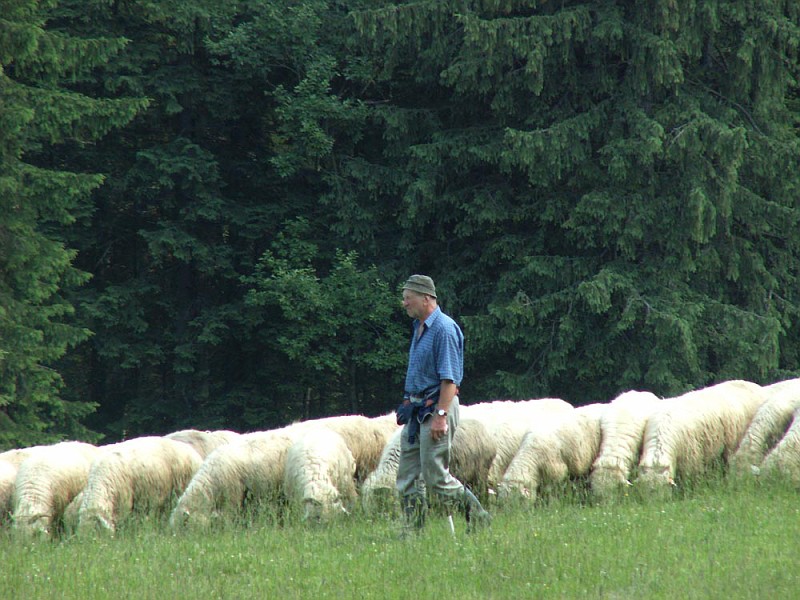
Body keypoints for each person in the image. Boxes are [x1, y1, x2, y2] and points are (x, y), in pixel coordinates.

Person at [395, 274, 491, 534]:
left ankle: (478, 515)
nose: (404, 304)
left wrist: (440, 414)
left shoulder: (444, 329)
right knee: (406, 477)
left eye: (408, 298)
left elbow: (450, 379)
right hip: (416, 412)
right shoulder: (419, 328)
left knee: (436, 476)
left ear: (426, 298)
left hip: (436, 408)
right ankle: (412, 532)